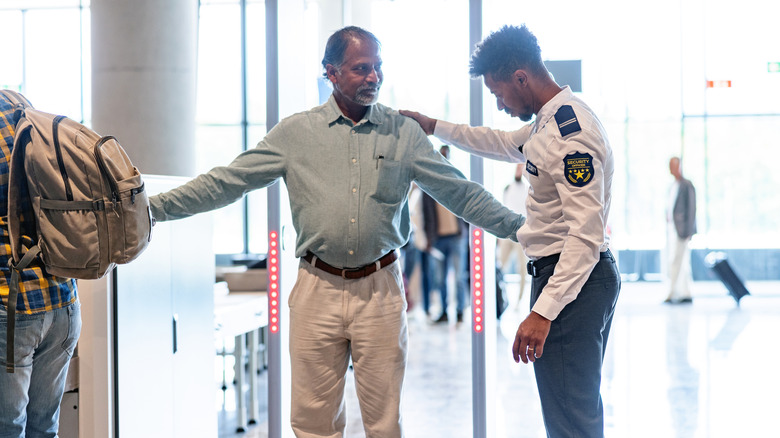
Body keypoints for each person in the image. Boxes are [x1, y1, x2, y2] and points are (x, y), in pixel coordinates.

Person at [149, 26, 525, 438]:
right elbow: (227, 181)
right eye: (361, 68)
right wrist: (153, 209)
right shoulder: (295, 134)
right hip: (316, 289)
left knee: (384, 423)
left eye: (378, 67)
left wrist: (524, 232)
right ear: (331, 72)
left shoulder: (404, 133)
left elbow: (462, 194)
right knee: (313, 422)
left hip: (380, 290)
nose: (373, 77)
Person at [400, 24, 621, 438]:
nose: (500, 104)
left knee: (571, 418)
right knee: (571, 410)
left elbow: (586, 237)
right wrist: (433, 126)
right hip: (570, 279)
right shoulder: (547, 121)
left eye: (499, 93)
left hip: (574, 281)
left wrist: (542, 311)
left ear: (522, 77)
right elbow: (499, 142)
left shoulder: (571, 136)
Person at [1, 90, 82, 437]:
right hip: (64, 300)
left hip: (15, 305)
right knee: (44, 427)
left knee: (8, 428)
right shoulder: (18, 104)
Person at [421, 145, 469, 323]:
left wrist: (468, 235)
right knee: (439, 278)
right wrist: (428, 238)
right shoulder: (429, 183)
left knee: (458, 277)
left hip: (457, 237)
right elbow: (426, 213)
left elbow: (466, 208)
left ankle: (459, 311)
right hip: (438, 239)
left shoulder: (457, 180)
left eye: (446, 155)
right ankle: (442, 311)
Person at [664, 156, 696, 304]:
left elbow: (691, 209)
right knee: (679, 261)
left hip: (682, 231)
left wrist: (689, 231)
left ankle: (674, 292)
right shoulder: (673, 185)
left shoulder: (686, 185)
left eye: (674, 166)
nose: (671, 169)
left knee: (677, 261)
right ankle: (683, 292)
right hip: (673, 230)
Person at [498, 163, 529, 307]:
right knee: (500, 266)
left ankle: (519, 301)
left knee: (522, 268)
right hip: (506, 234)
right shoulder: (507, 188)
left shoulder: (528, 190)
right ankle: (501, 297)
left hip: (522, 234)